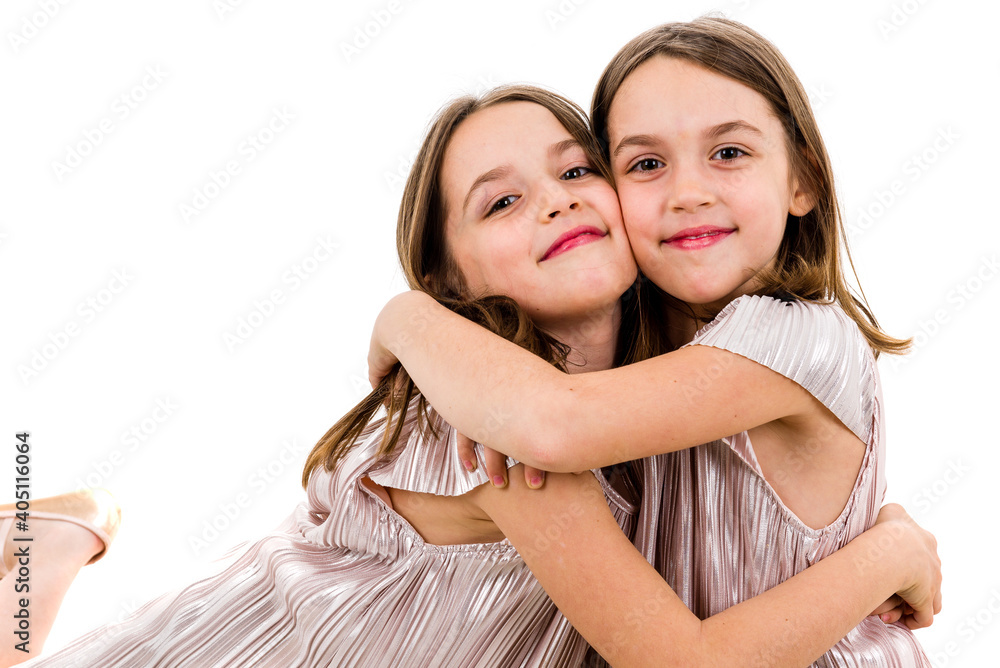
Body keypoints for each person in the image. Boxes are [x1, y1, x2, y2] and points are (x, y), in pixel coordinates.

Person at [9, 86, 937, 668]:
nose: (556, 198)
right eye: (502, 202)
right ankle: (49, 542)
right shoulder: (503, 424)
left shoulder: (655, 389)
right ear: (453, 280)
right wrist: (887, 554)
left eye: (579, 168)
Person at [367, 18, 935, 667]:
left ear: (801, 181)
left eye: (729, 152)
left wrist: (406, 319)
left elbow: (556, 423)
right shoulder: (640, 352)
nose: (688, 193)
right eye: (645, 163)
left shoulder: (795, 334)